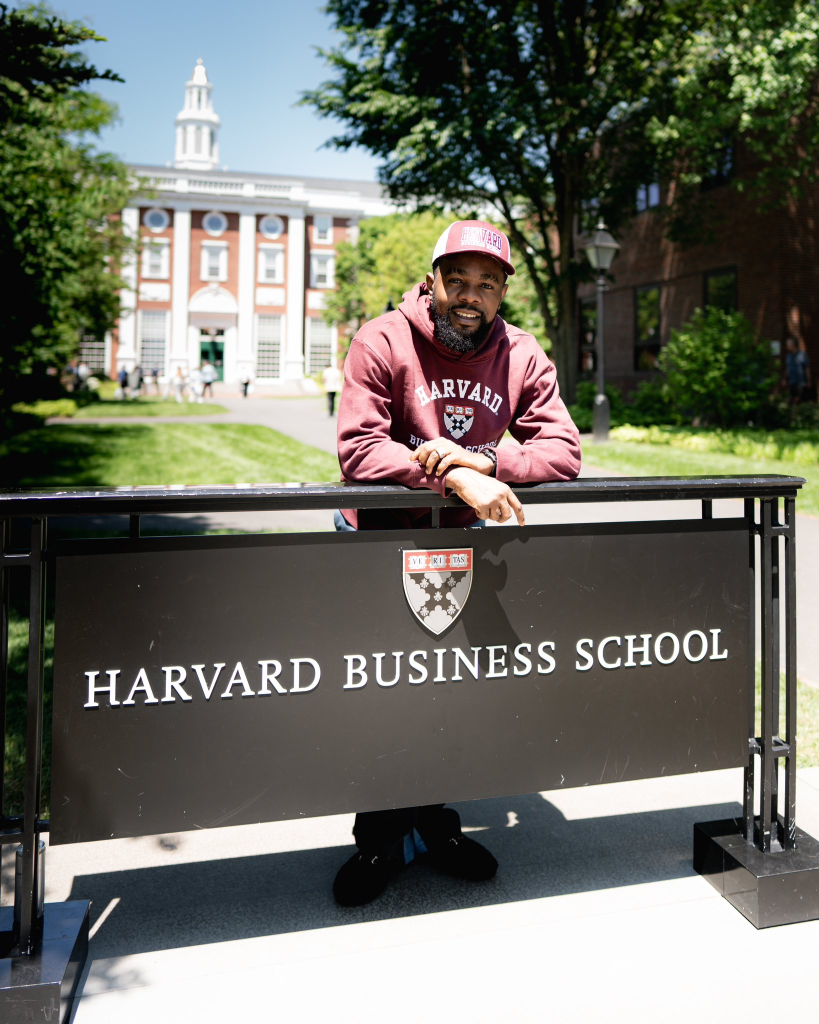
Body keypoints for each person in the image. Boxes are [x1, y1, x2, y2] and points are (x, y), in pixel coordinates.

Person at [332, 219, 581, 907]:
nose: (472, 296)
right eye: (458, 280)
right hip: (379, 540)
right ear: (432, 281)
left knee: (451, 692)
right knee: (383, 691)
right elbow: (359, 449)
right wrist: (454, 477)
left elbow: (563, 450)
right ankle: (378, 840)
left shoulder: (520, 352)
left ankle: (435, 825)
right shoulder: (382, 339)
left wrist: (484, 461)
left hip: (464, 548)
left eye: (488, 284)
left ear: (502, 292)